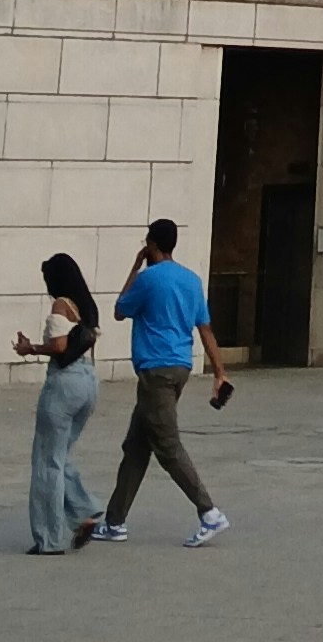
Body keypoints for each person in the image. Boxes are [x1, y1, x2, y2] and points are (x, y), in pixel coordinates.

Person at [87, 220, 232, 547]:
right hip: (180, 367)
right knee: (137, 447)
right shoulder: (191, 280)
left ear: (151, 244)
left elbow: (119, 311)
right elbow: (205, 329)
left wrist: (136, 265)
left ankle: (209, 512)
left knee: (167, 446)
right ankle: (115, 521)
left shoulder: (148, 279)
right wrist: (220, 372)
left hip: (156, 373)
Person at [14, 251, 101, 550]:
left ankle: (48, 539)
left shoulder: (61, 305)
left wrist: (30, 349)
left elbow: (60, 345)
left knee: (46, 461)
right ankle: (84, 513)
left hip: (64, 385)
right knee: (60, 454)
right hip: (89, 381)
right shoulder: (87, 307)